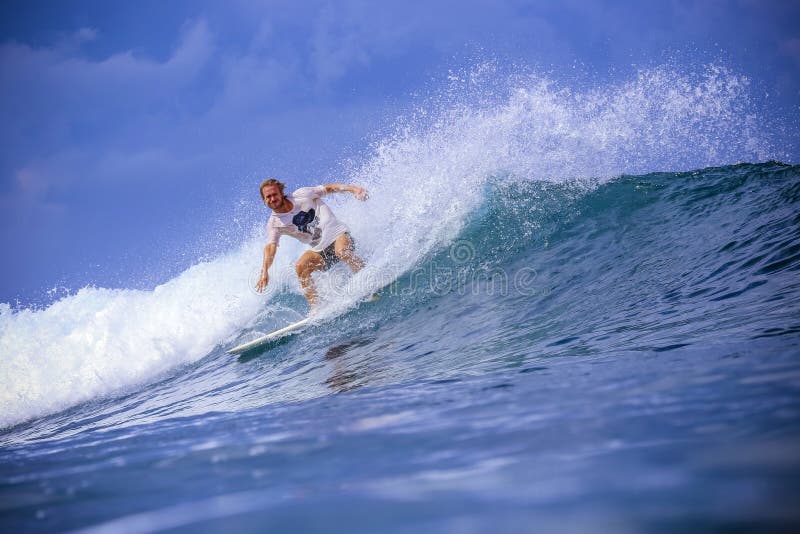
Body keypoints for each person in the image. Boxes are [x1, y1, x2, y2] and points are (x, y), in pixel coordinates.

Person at [255, 178, 369, 310]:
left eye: (274, 194)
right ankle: (316, 308)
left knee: (341, 251)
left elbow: (329, 188)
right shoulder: (274, 224)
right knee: (300, 266)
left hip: (339, 235)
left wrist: (353, 189)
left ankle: (367, 278)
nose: (272, 199)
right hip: (321, 250)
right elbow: (270, 247)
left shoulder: (302, 195)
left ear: (281, 193)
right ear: (264, 200)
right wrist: (265, 271)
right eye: (268, 197)